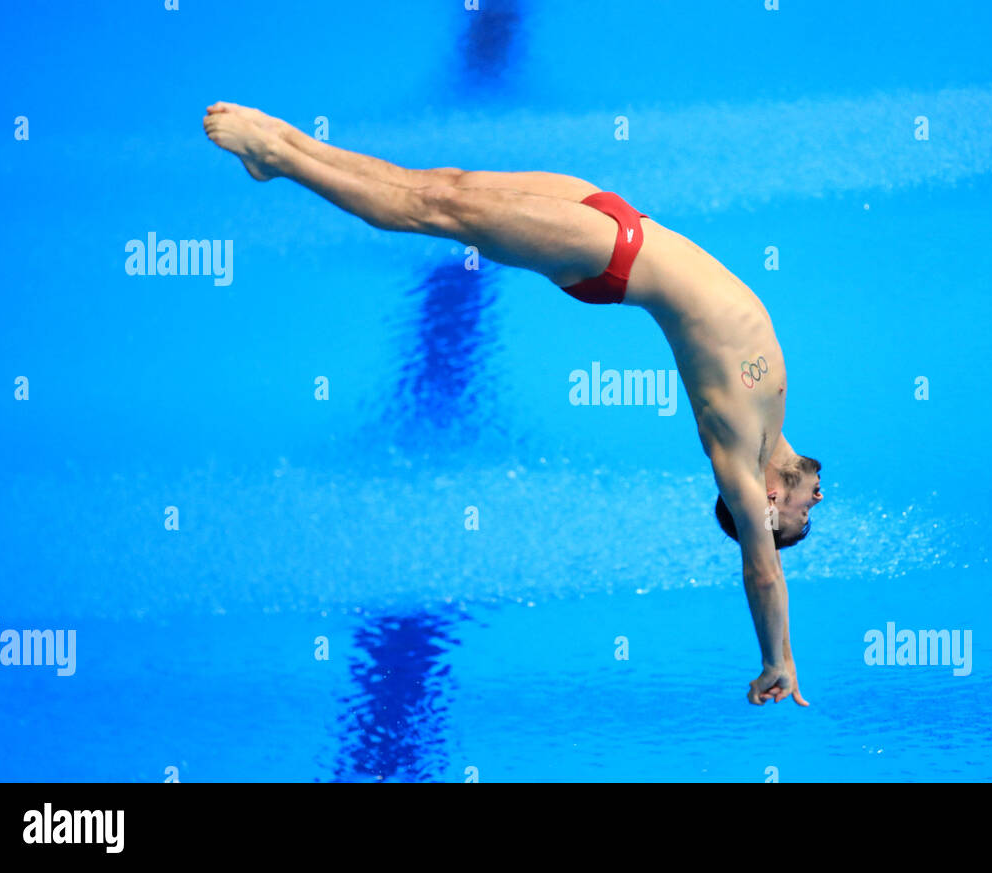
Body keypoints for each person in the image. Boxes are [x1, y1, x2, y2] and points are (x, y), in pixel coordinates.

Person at [203, 102, 823, 705]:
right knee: (443, 186)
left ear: (768, 507)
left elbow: (763, 573)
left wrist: (778, 659)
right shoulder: (776, 433)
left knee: (435, 212)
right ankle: (287, 146)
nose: (816, 502)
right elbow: (801, 483)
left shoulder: (738, 459)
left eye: (802, 517)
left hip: (610, 255)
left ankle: (281, 156)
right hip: (614, 216)